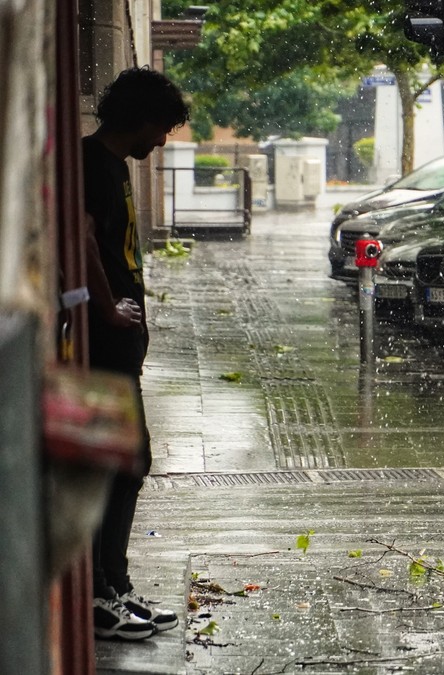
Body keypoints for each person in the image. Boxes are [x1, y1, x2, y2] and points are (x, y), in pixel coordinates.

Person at [83, 66, 189, 641]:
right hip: (103, 340)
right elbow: (78, 236)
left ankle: (114, 584)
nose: (162, 140)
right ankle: (102, 591)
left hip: (120, 338)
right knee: (123, 461)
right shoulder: (91, 163)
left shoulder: (114, 164)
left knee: (128, 463)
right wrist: (106, 310)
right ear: (141, 119)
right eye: (162, 127)